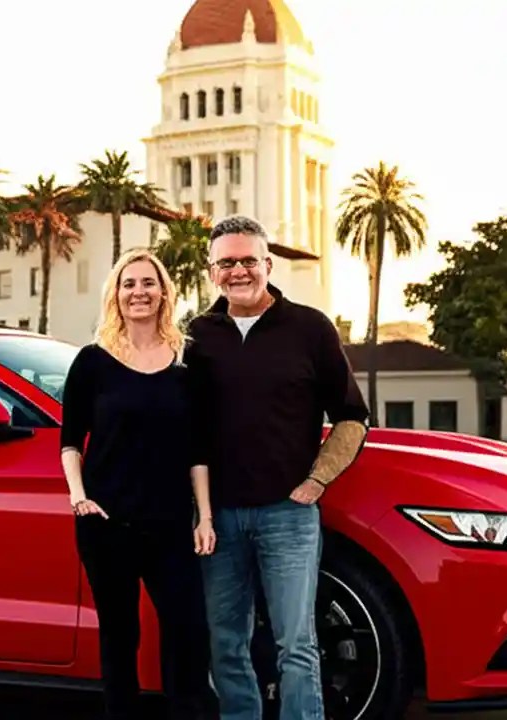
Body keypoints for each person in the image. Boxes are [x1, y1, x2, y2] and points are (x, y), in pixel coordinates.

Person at [185, 216, 370, 720]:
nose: (238, 271)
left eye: (248, 260)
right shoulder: (196, 336)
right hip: (217, 519)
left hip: (287, 515)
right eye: (226, 263)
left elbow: (352, 417)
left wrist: (316, 480)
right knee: (226, 644)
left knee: (298, 644)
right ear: (211, 271)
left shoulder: (310, 328)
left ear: (268, 265)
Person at [60, 247, 216, 720]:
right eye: (129, 284)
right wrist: (79, 498)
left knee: (188, 633)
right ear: (116, 295)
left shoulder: (188, 366)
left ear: (164, 292)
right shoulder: (92, 362)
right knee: (120, 636)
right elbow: (71, 441)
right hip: (107, 523)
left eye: (148, 283)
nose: (138, 292)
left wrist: (204, 516)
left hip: (170, 525)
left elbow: (198, 451)